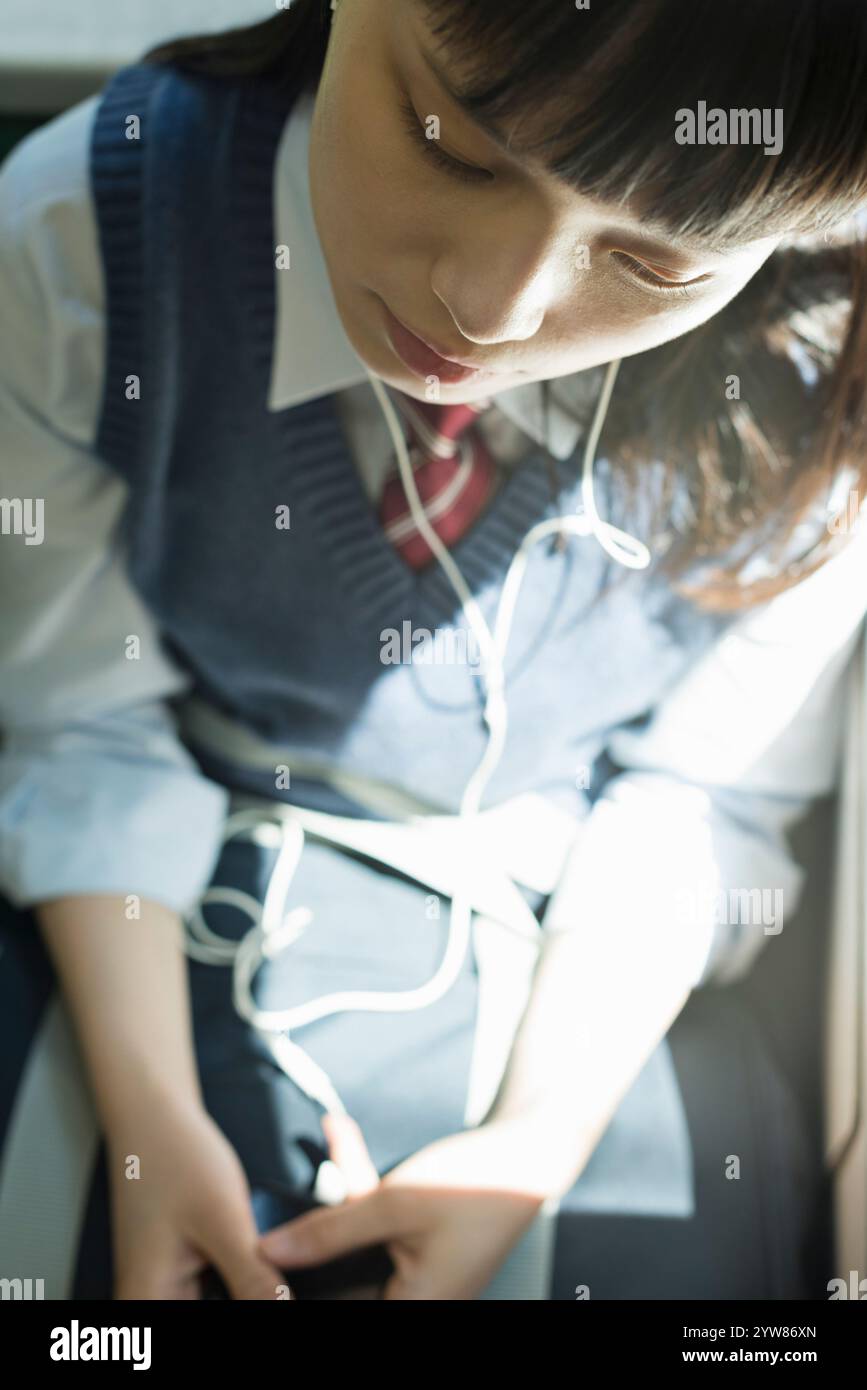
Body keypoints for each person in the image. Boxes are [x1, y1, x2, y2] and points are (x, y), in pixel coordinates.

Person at [2, 0, 867, 1301]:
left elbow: (703, 796)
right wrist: (151, 1119)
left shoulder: (824, 386)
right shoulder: (84, 239)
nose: (489, 308)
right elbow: (80, 722)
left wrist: (532, 1142)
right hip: (158, 877)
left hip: (575, 939)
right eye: (451, 145)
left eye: (653, 266)